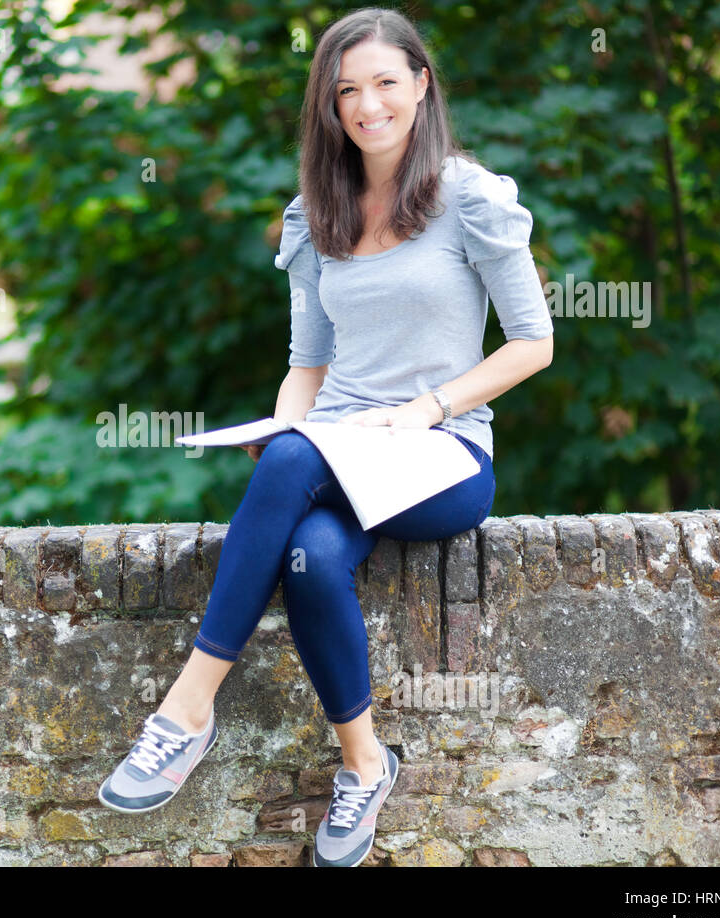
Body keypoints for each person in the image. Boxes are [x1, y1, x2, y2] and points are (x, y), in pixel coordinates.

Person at [98, 7, 554, 867]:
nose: (368, 104)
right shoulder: (318, 212)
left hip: (442, 453)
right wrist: (284, 428)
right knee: (308, 556)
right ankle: (364, 767)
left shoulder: (473, 199)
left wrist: (427, 410)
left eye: (387, 82)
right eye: (348, 90)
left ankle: (185, 713)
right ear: (330, 105)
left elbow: (535, 344)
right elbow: (307, 365)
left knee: (303, 460)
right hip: (338, 451)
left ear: (421, 85)